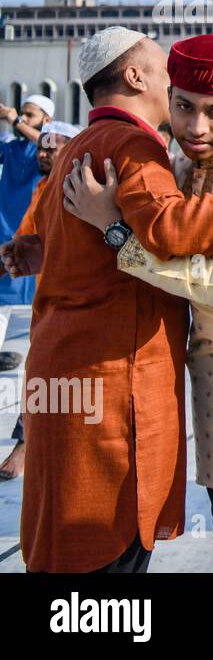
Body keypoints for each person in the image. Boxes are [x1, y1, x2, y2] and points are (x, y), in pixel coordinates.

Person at [0, 26, 213, 573]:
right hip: (127, 375)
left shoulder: (84, 146)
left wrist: (60, 247)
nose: (195, 125)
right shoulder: (142, 148)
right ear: (138, 78)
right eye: (180, 100)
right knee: (119, 539)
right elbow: (171, 229)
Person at [0, 120, 80, 482]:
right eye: (42, 146)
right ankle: (26, 444)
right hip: (51, 307)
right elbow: (20, 246)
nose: (43, 152)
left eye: (52, 146)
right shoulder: (42, 189)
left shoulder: (86, 188)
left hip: (91, 309)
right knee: (42, 378)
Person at [0, 94, 54, 353]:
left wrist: (17, 121)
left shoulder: (48, 146)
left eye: (30, 114)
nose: (23, 118)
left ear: (47, 119)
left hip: (35, 238)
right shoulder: (11, 146)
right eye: (23, 113)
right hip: (6, 231)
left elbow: (54, 144)